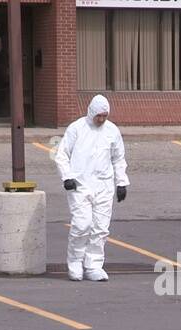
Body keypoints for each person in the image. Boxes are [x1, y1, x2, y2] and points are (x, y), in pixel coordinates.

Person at [55, 94, 129, 281]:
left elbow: (118, 158)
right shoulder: (77, 128)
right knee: (82, 225)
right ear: (91, 112)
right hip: (80, 185)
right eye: (99, 116)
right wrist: (67, 177)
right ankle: (75, 262)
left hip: (104, 185)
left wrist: (121, 182)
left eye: (105, 116)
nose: (102, 119)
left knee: (100, 228)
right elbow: (62, 154)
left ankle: (94, 265)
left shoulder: (112, 131)